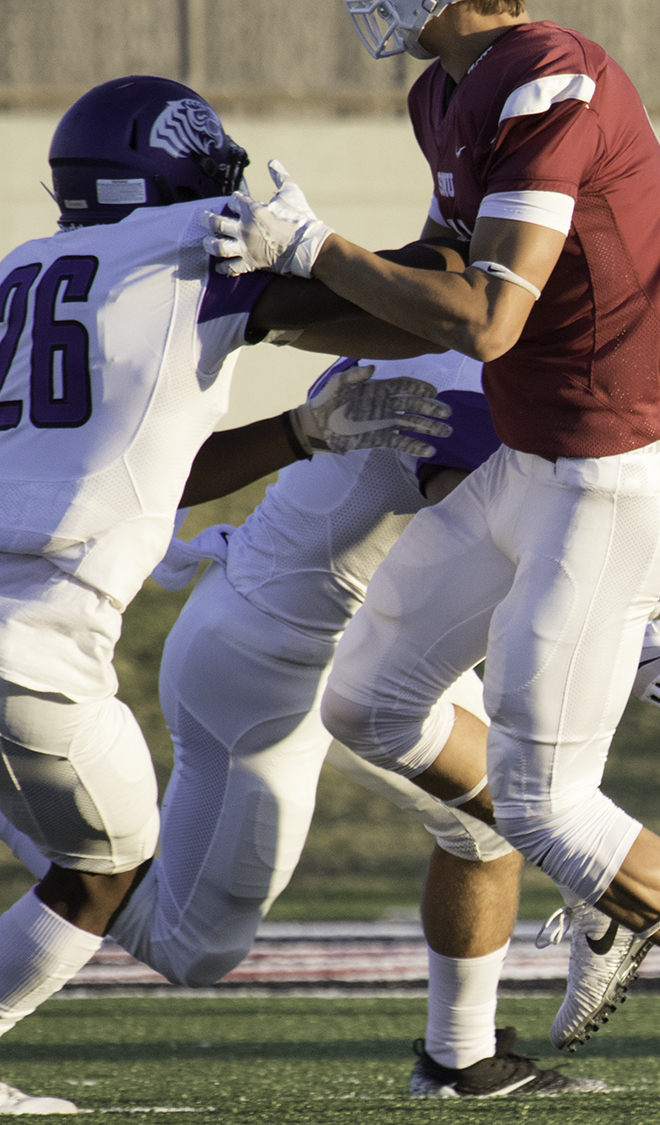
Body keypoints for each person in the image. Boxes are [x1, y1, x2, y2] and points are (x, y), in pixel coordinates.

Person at [208, 1, 660, 1106]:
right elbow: (429, 289)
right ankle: (605, 881)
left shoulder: (549, 81)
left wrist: (316, 249)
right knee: (368, 699)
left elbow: (484, 321)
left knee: (545, 806)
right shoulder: (448, 90)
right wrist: (271, 310)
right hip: (531, 467)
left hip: (604, 487)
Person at [0, 76, 455, 1114]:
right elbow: (404, 310)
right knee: (107, 868)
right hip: (38, 639)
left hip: (19, 619)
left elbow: (154, 465)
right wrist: (398, 246)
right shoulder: (192, 247)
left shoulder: (18, 272)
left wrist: (300, 435)